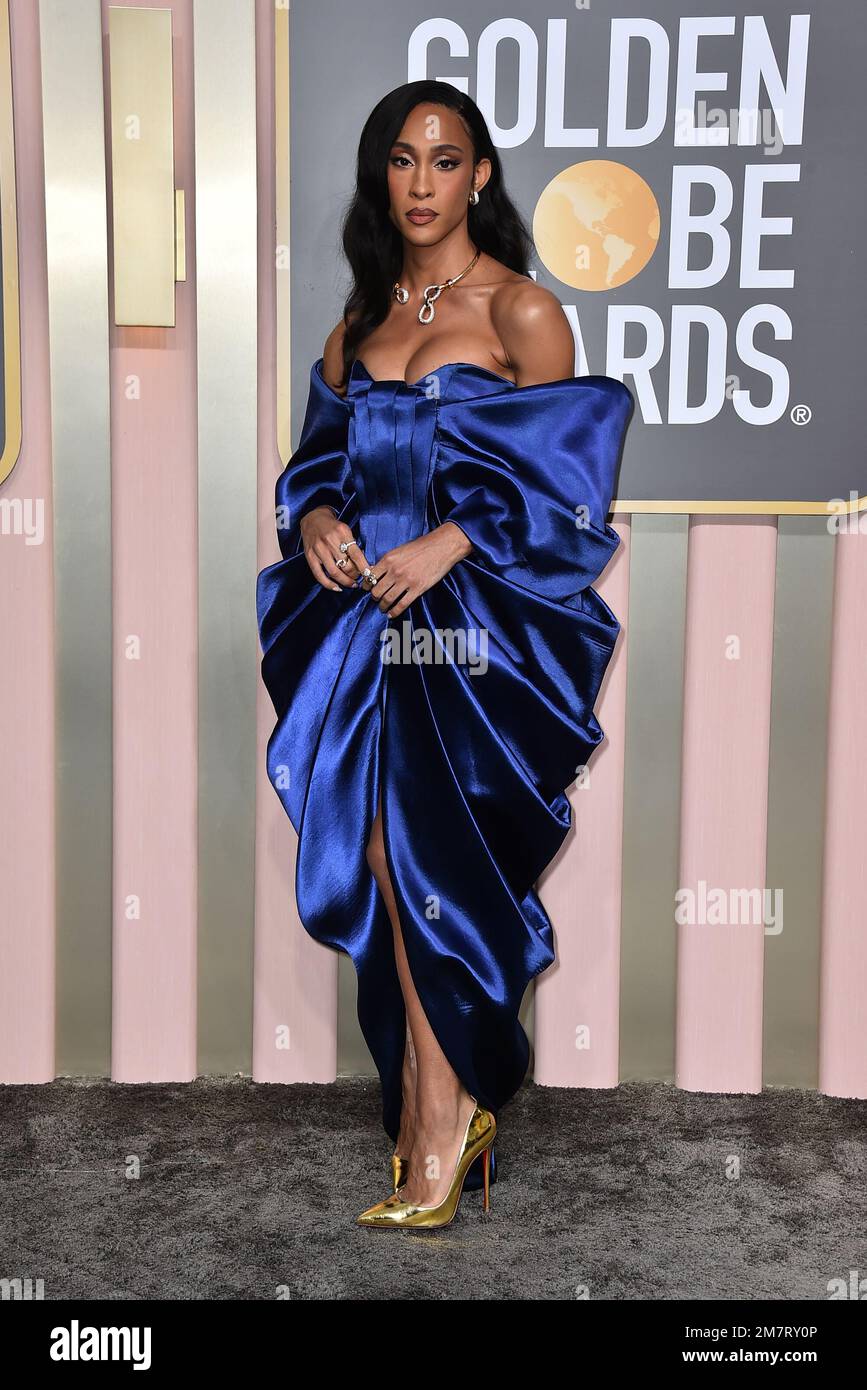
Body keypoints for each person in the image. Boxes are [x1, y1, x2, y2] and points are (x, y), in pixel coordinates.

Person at [256, 79, 633, 1230]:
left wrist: (448, 539)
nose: (423, 183)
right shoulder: (358, 321)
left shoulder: (522, 312)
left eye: (447, 159)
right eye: (404, 161)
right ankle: (444, 1104)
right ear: (384, 177)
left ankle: (438, 1121)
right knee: (378, 853)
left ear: (481, 175)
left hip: (469, 632)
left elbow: (567, 486)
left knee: (434, 860)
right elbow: (318, 469)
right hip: (366, 627)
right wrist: (319, 524)